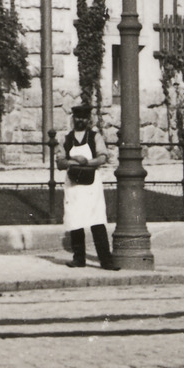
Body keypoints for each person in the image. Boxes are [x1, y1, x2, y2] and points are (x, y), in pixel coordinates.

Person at [61, 107, 111, 269]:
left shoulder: (95, 137)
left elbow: (102, 157)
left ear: (89, 119)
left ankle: (106, 260)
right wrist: (75, 160)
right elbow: (60, 162)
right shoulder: (67, 139)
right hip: (73, 185)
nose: (80, 120)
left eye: (84, 117)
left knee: (97, 220)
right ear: (73, 118)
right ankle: (79, 258)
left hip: (91, 185)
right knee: (75, 221)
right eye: (77, 117)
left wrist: (87, 163)